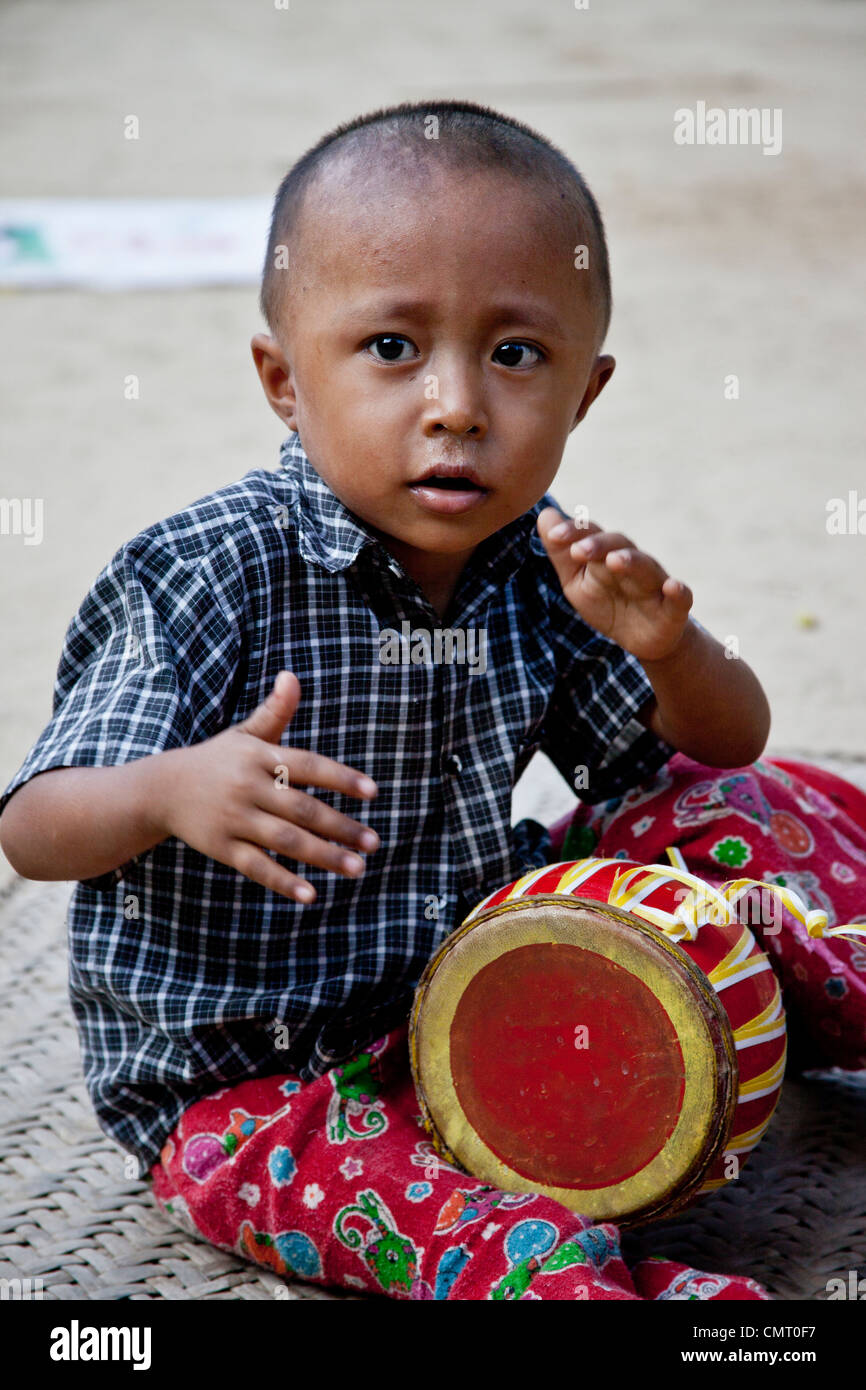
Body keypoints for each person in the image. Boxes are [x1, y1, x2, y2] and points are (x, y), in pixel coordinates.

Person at [1, 100, 863, 1302]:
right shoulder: (204, 572)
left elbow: (721, 745)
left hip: (468, 982)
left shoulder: (545, 562)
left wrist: (670, 651)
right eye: (392, 347)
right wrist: (170, 788)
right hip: (254, 1081)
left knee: (732, 809)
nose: (456, 403)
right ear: (284, 380)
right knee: (462, 1225)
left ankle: (825, 989)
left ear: (583, 394)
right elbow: (32, 827)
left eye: (514, 356)